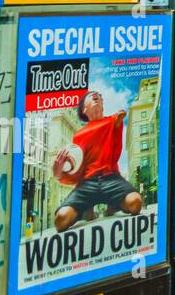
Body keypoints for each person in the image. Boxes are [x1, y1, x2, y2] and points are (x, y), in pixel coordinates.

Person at [52, 91, 144, 232]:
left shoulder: (112, 121)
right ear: (84, 109)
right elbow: (77, 170)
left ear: (102, 107)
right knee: (61, 220)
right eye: (92, 96)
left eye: (100, 97)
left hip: (111, 178)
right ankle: (87, 210)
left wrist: (118, 122)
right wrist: (59, 173)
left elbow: (116, 147)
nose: (97, 96)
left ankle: (112, 206)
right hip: (87, 183)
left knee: (136, 203)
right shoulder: (78, 136)